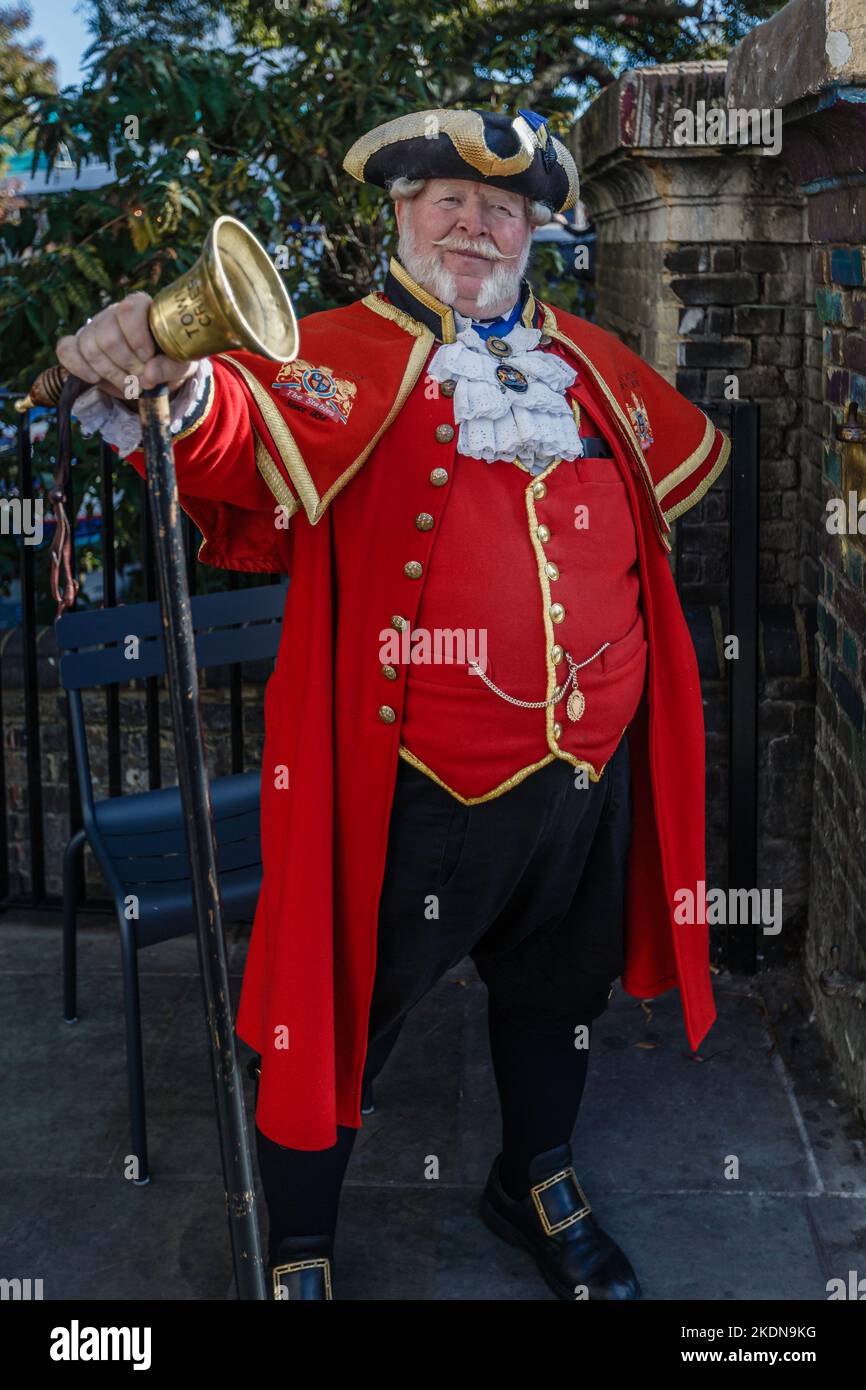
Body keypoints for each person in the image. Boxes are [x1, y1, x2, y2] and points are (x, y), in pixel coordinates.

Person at [58, 107, 729, 1302]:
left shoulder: (590, 360)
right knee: (341, 1016)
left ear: (535, 233)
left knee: (556, 993)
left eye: (505, 210)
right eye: (448, 202)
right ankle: (298, 1242)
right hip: (416, 786)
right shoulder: (333, 350)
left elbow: (658, 494)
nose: (476, 225)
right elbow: (224, 429)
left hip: (589, 767)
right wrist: (151, 363)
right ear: (401, 217)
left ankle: (535, 1178)